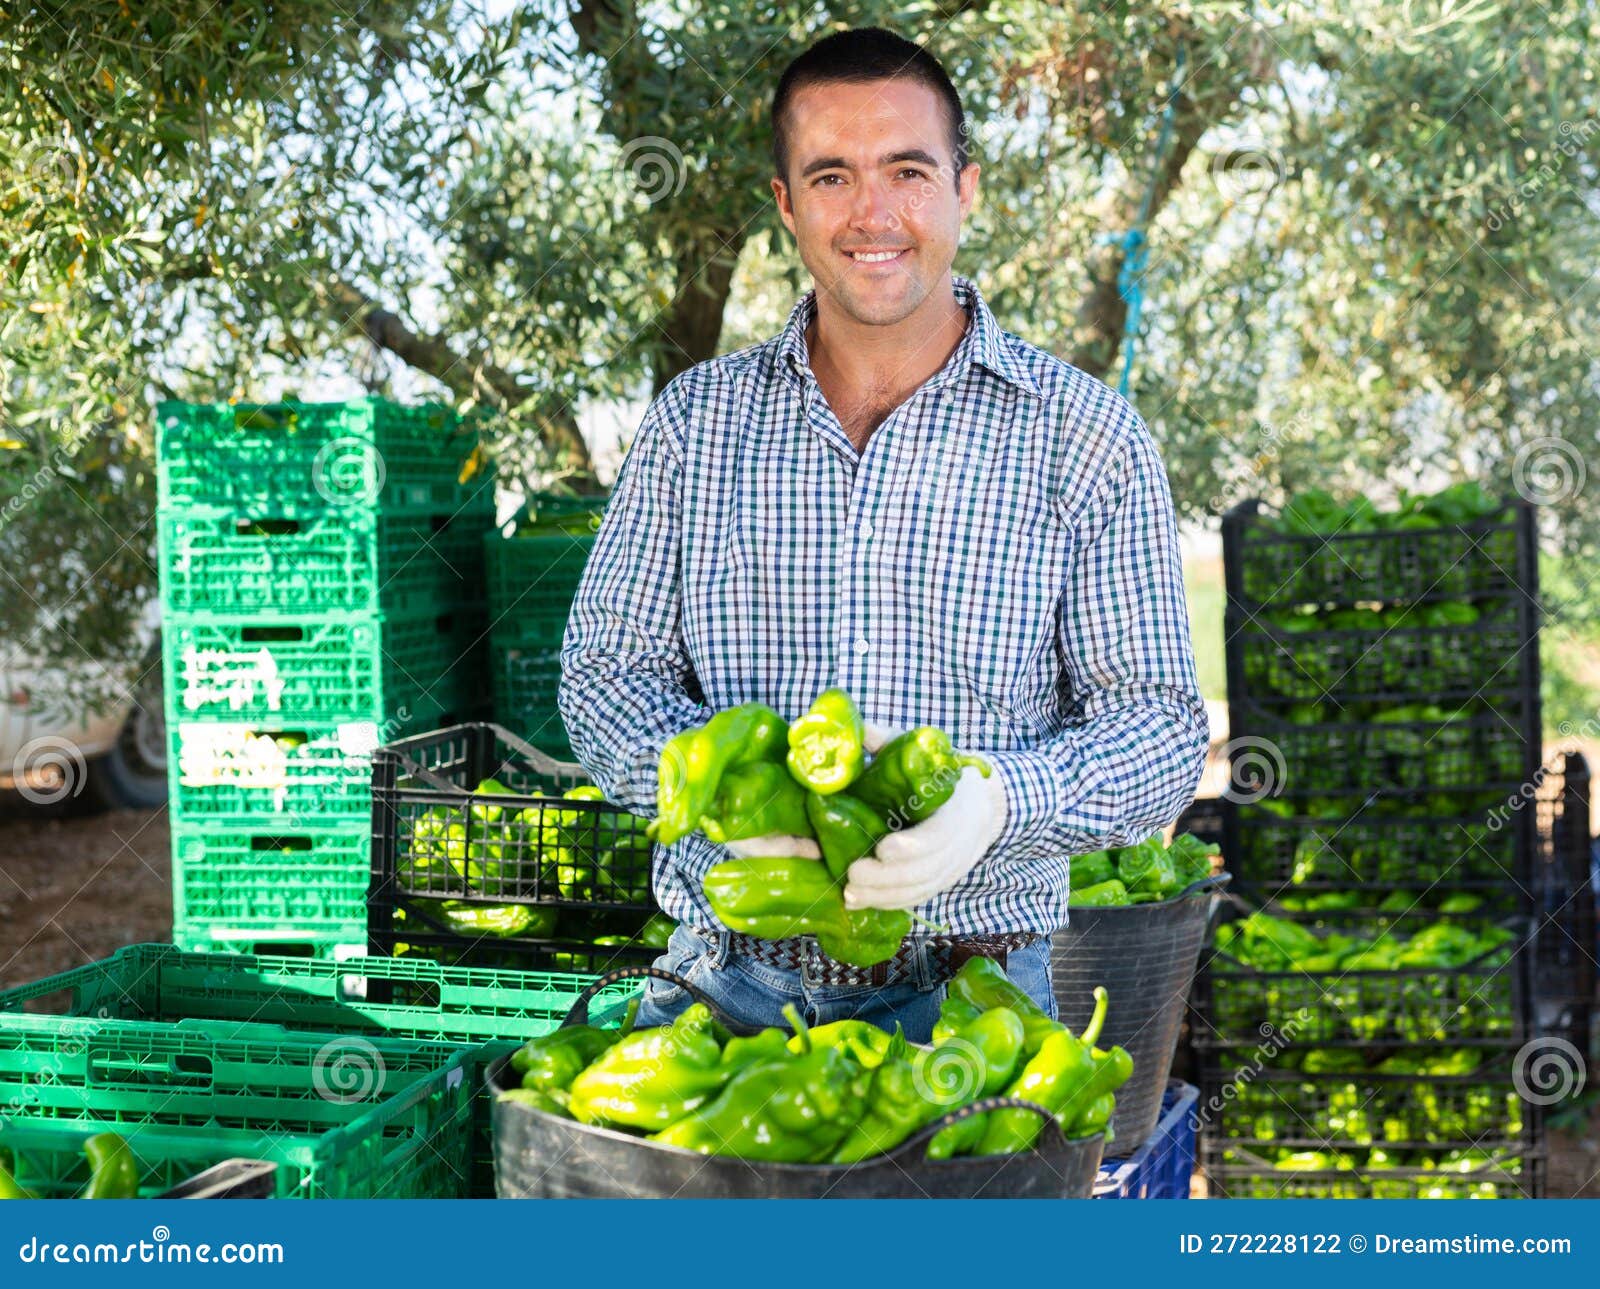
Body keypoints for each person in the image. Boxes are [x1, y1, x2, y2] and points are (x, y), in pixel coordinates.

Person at [559, 26, 1207, 1041]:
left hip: (974, 1006)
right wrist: (719, 794)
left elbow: (1162, 727)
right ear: (785, 204)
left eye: (906, 170)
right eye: (830, 176)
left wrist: (999, 800)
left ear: (964, 187)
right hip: (720, 998)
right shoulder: (696, 424)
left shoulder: (1085, 436)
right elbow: (604, 673)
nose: (871, 213)